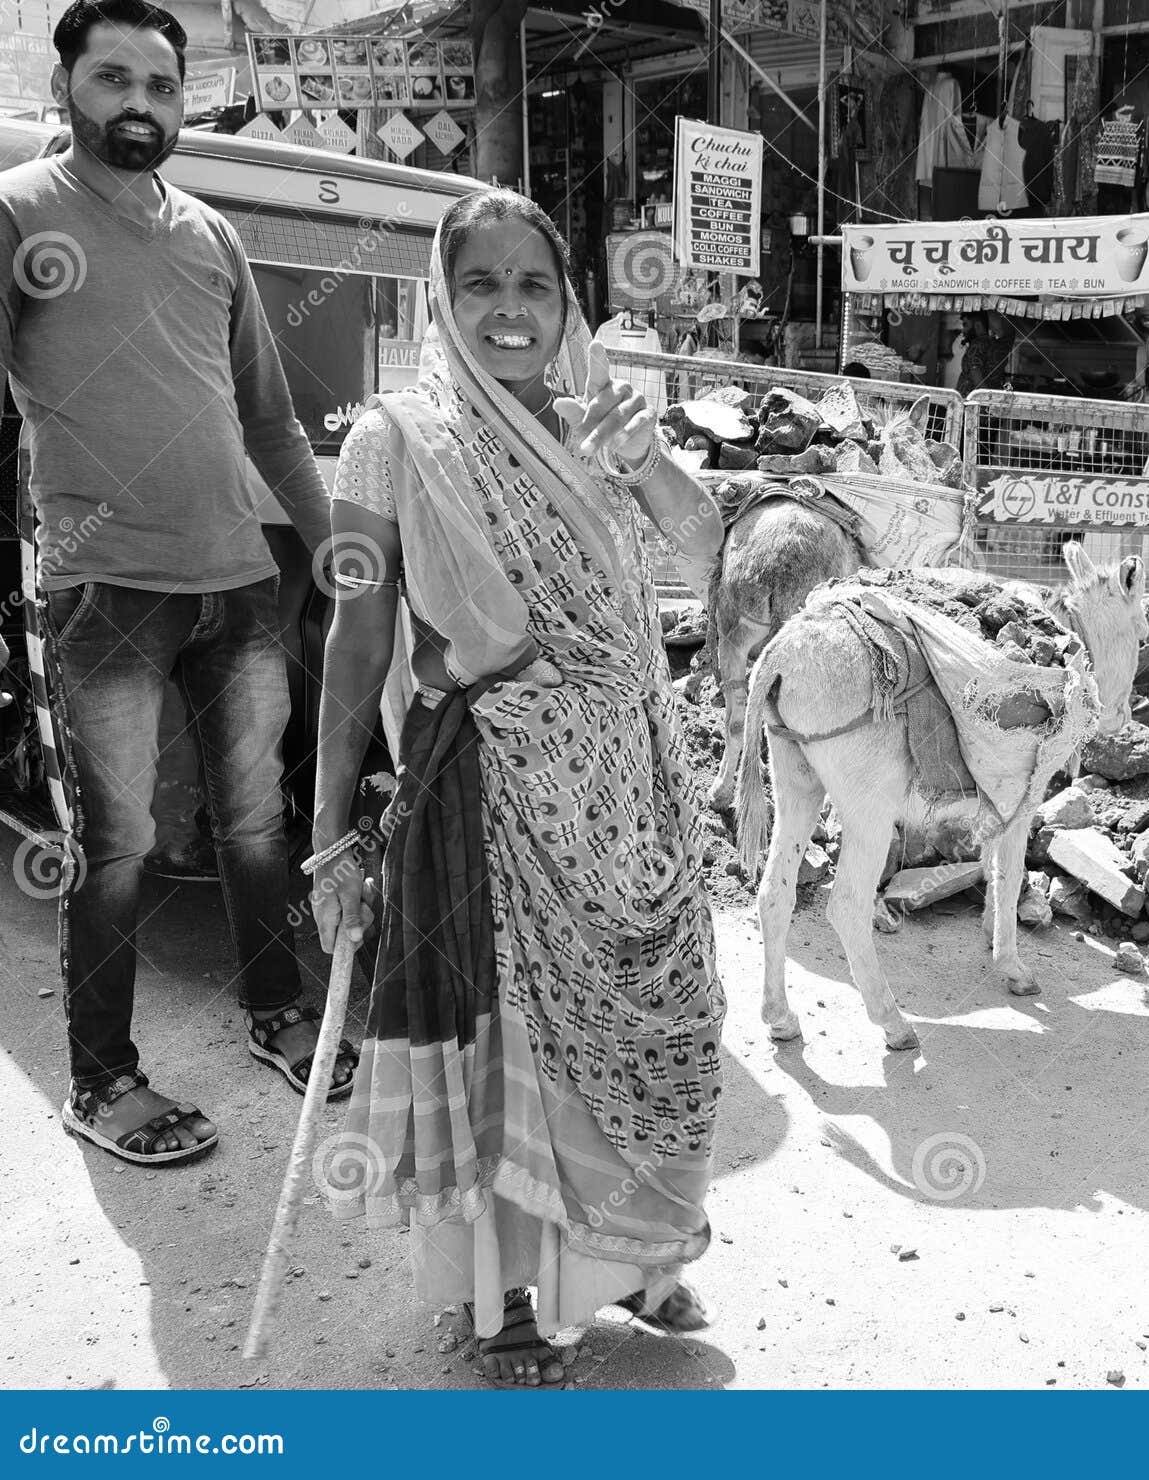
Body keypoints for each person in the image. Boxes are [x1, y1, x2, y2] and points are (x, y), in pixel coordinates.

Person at [311, 188, 726, 1388]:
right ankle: (501, 1294)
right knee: (509, 1041)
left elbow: (705, 551)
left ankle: (631, 1257)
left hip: (631, 789)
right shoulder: (396, 437)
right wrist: (332, 832)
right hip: (485, 787)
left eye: (532, 284)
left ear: (566, 299)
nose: (509, 308)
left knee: (664, 1023)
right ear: (444, 298)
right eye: (480, 283)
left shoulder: (603, 421)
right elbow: (353, 639)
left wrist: (646, 465)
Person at [0, 0, 354, 1166]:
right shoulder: (18, 217)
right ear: (67, 90)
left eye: (162, 83)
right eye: (114, 79)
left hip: (240, 582)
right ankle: (101, 1083)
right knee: (117, 846)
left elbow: (271, 420)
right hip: (105, 586)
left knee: (260, 823)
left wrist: (337, 550)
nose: (141, 104)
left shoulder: (210, 235)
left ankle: (277, 1011)